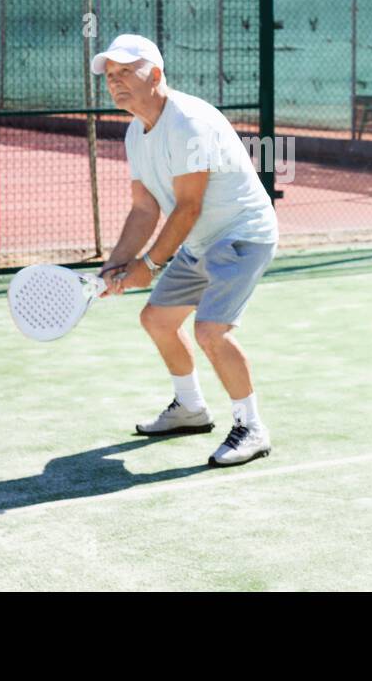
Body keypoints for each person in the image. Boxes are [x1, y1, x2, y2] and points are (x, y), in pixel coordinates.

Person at [93, 34, 280, 467]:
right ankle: (190, 408)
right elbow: (144, 208)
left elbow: (188, 205)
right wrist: (116, 264)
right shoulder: (135, 132)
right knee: (157, 319)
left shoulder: (189, 122)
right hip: (201, 239)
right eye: (111, 76)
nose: (116, 82)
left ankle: (252, 426)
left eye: (126, 72)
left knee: (211, 330)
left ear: (155, 75)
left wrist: (150, 265)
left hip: (241, 235)